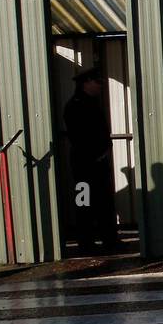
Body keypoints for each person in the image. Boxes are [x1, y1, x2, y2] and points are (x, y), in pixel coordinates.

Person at [63, 67, 121, 254]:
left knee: (104, 202)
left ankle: (109, 241)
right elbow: (79, 137)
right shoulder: (76, 105)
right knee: (84, 202)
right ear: (86, 83)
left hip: (97, 163)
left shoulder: (90, 103)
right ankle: (86, 244)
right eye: (97, 82)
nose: (99, 86)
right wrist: (96, 155)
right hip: (84, 165)